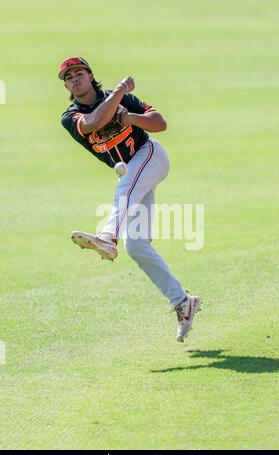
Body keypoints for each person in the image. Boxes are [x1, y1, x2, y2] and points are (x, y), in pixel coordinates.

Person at [59, 57, 201, 342]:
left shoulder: (122, 98)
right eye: (68, 77)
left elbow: (160, 123)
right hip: (133, 173)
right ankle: (183, 301)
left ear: (90, 75)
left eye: (79, 73)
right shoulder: (71, 116)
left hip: (150, 156)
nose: (75, 79)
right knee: (136, 245)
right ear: (66, 85)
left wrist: (131, 117)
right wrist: (121, 90)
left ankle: (107, 236)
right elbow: (94, 122)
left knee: (124, 189)